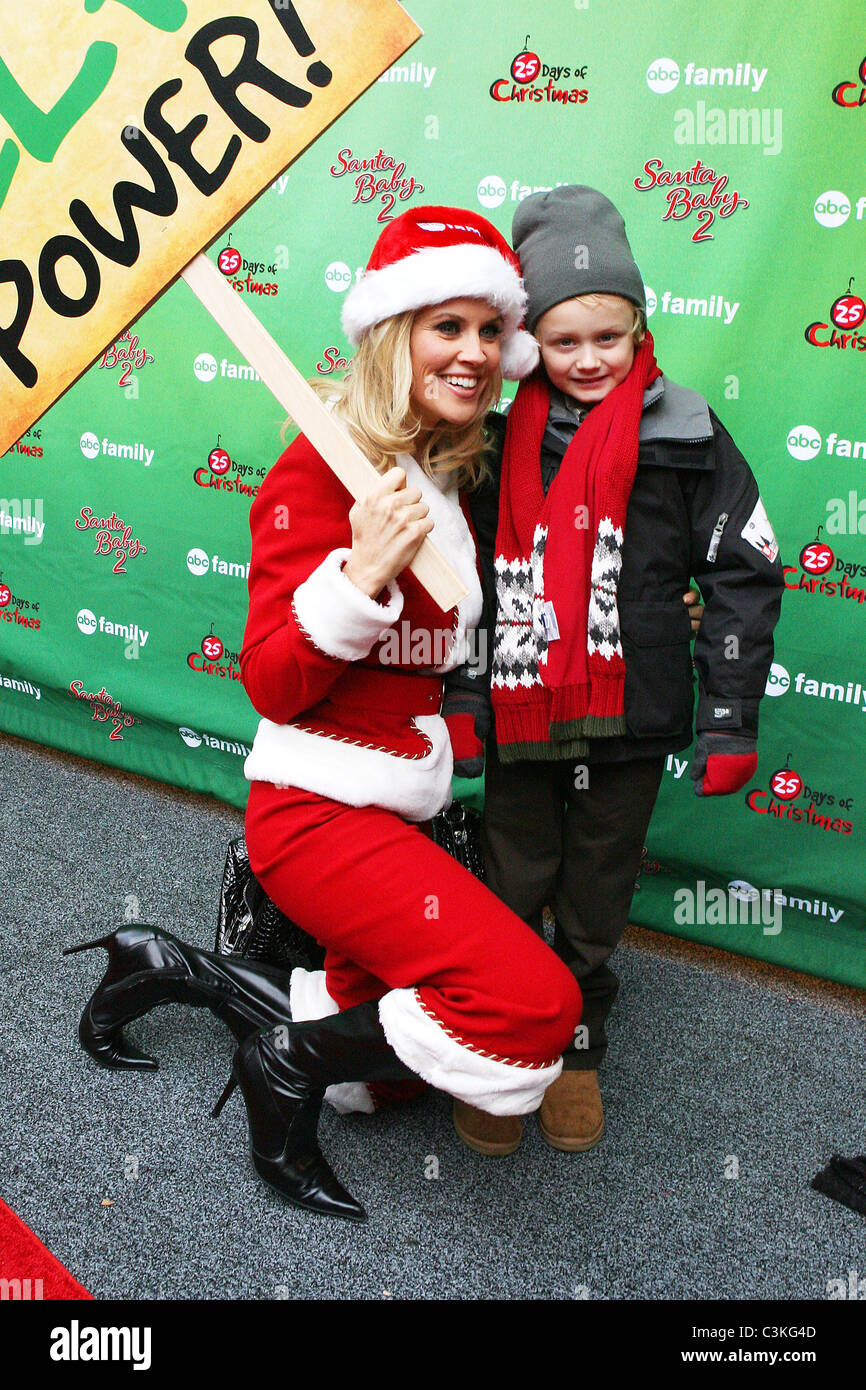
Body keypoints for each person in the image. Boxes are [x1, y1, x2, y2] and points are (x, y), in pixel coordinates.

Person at [65, 206, 582, 1223]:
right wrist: (358, 576)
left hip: (393, 802)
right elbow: (269, 680)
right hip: (314, 814)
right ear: (393, 333)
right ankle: (283, 1063)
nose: (475, 352)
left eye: (490, 330)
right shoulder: (321, 469)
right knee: (533, 1004)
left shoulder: (440, 467)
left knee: (391, 1075)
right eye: (446, 326)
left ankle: (172, 965)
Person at [450, 185, 784, 1157]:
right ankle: (501, 1048)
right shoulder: (499, 439)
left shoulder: (687, 435)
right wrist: (466, 696)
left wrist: (729, 720)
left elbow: (742, 573)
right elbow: (466, 581)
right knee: (511, 884)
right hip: (520, 716)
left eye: (609, 335)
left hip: (631, 721)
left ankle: (578, 1047)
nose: (590, 359)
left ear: (638, 325)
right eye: (564, 342)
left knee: (595, 889)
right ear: (530, 345)